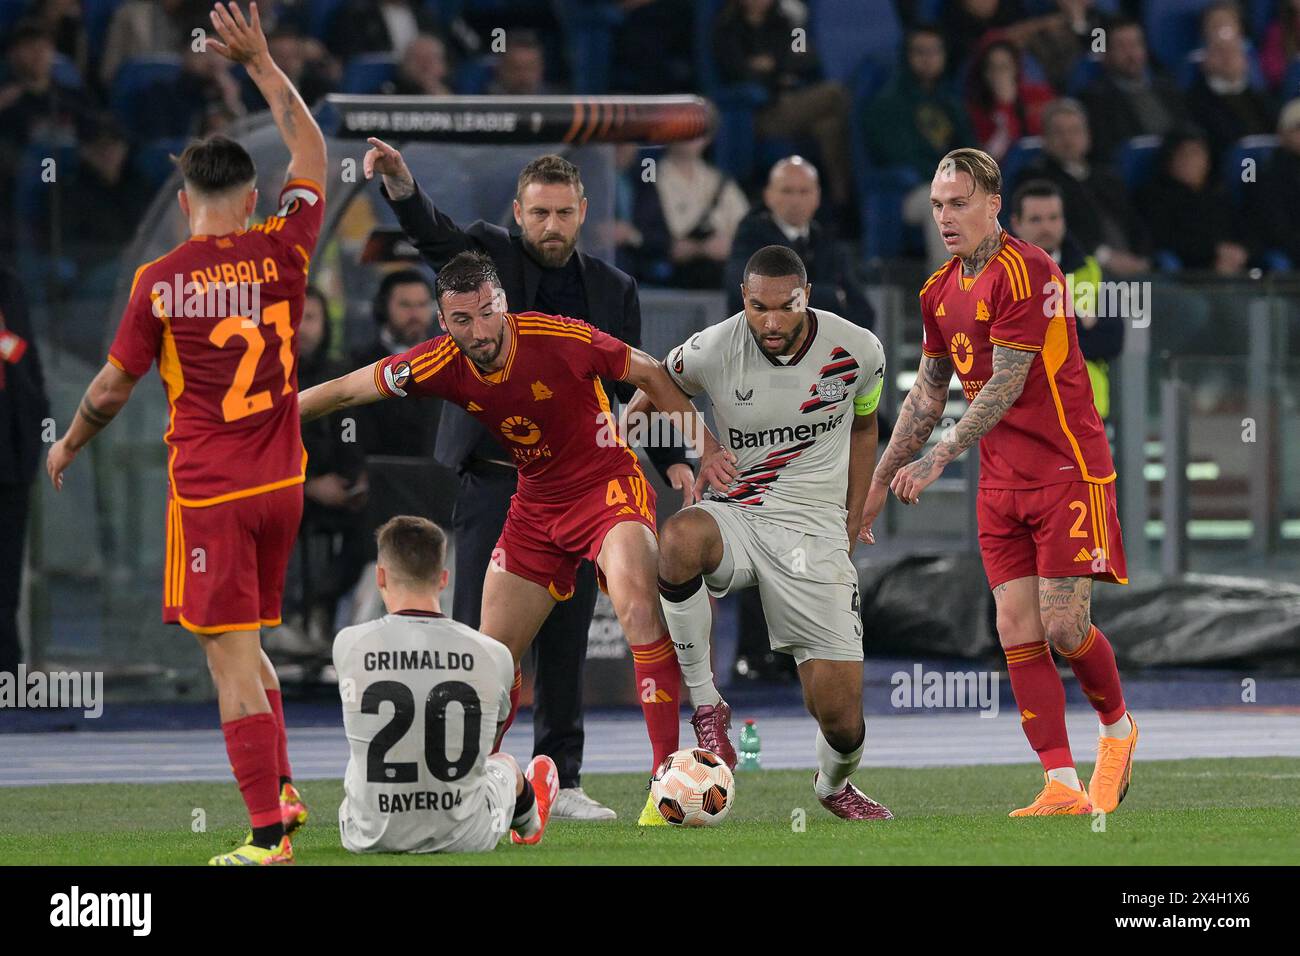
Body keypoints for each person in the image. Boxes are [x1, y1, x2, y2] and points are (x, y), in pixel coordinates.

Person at [299, 250, 726, 827]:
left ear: (503, 303)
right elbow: (347, 391)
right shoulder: (437, 361)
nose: (480, 331)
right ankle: (478, 789)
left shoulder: (559, 337)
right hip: (535, 505)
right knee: (492, 662)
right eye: (463, 320)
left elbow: (650, 372)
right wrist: (268, 421)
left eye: (488, 312)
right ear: (444, 322)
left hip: (606, 486)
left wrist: (706, 446)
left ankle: (663, 783)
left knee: (636, 608)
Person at [45, 1, 327, 865]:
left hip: (212, 493)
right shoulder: (284, 250)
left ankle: (266, 836)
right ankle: (285, 791)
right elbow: (312, 152)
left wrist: (69, 444)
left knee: (226, 664)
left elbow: (110, 387)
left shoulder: (160, 281)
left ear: (182, 202)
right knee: (247, 646)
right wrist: (261, 63)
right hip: (282, 484)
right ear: (252, 197)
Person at [362, 141, 693, 821]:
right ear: (518, 213)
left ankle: (561, 779)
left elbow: (632, 386)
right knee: (483, 642)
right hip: (494, 478)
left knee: (569, 638)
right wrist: (401, 185)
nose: (551, 225)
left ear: (583, 214)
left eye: (563, 213)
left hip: (583, 483)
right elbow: (435, 238)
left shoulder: (614, 289)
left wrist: (675, 459)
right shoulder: (488, 257)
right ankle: (467, 777)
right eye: (539, 212)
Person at [860, 148, 1138, 818]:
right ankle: (1060, 783)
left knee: (1064, 625)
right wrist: (878, 480)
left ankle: (1118, 731)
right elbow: (927, 395)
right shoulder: (936, 290)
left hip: (1066, 467)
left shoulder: (1030, 270)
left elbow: (1007, 382)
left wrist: (942, 455)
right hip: (1001, 479)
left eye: (959, 204)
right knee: (1014, 625)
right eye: (937, 205)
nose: (945, 217)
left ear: (993, 203)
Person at [630, 245, 891, 820]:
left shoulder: (859, 350)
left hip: (814, 529)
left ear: (807, 297)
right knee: (678, 540)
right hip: (739, 515)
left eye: (785, 307)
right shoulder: (714, 347)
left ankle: (833, 784)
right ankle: (708, 707)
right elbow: (648, 392)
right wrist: (694, 448)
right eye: (758, 308)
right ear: (743, 300)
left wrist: (853, 517)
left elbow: (864, 426)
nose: (771, 322)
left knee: (841, 721)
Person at [335, 515, 557, 853]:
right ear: (443, 578)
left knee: (359, 759)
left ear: (380, 576)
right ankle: (529, 821)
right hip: (466, 835)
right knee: (504, 765)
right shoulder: (492, 653)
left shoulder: (348, 644)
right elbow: (487, 741)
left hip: (368, 835)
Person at [712, 0, 854, 213]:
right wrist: (778, 69)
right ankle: (862, 179)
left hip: (790, 103)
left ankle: (842, 205)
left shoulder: (784, 23)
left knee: (829, 126)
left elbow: (807, 58)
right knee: (835, 93)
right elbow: (738, 73)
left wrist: (772, 64)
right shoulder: (727, 28)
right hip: (758, 114)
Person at [1009, 180, 1123, 421]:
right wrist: (1079, 323)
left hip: (1084, 412)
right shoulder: (998, 274)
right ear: (1016, 224)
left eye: (1054, 218)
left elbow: (1112, 339)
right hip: (1021, 415)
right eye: (1036, 219)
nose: (1046, 227)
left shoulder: (1091, 270)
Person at [863, 25, 975, 269]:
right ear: (907, 56)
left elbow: (970, 149)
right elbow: (899, 157)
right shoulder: (889, 103)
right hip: (905, 193)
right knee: (942, 203)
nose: (928, 59)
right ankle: (947, 288)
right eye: (920, 52)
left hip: (954, 185)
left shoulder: (949, 100)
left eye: (934, 51)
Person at [298, 286, 369, 645]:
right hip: (287, 490)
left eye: (310, 318)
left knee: (372, 525)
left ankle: (322, 608)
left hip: (336, 488)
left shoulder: (339, 373)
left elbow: (349, 431)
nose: (302, 328)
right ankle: (290, 616)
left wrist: (356, 478)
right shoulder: (263, 378)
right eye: (294, 319)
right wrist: (308, 485)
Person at [726, 155, 873, 327]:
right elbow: (755, 294)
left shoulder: (826, 240)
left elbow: (863, 312)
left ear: (817, 197)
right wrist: (832, 297)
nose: (795, 200)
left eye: (804, 191)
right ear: (768, 195)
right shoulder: (750, 236)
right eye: (787, 191)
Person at [1022, 99, 1151, 276]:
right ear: (1045, 139)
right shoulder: (1036, 179)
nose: (1068, 139)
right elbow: (1054, 230)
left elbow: (1133, 220)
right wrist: (1104, 257)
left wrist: (1143, 257)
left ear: (1087, 136)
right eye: (1059, 132)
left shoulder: (1107, 177)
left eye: (1075, 131)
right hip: (1081, 271)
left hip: (1135, 268)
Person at [0, 267, 49, 679]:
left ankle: (7, 673)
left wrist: (34, 439)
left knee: (6, 575)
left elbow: (26, 363)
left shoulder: (9, 285)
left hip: (11, 454)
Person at [350, 269, 441, 457]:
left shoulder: (445, 361)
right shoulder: (358, 365)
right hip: (376, 469)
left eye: (422, 305)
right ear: (383, 308)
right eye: (405, 305)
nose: (415, 314)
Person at [1137, 129, 1249, 275]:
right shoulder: (1153, 196)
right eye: (1183, 155)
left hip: (1236, 272)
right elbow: (1162, 239)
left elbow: (1246, 232)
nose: (1190, 161)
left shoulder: (1218, 195)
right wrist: (1214, 252)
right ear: (1169, 159)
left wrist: (1241, 252)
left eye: (1196, 154)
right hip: (1190, 275)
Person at [644, 136, 749, 290]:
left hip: (720, 274)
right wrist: (671, 247)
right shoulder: (649, 177)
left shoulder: (721, 181)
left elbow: (748, 233)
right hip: (669, 272)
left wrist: (729, 246)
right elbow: (643, 231)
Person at [1079, 17, 1189, 163]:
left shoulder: (1168, 88)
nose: (1131, 54)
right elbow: (1107, 153)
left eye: (1136, 44)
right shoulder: (1095, 99)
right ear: (1105, 54)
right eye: (1121, 47)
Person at [1185, 32, 1277, 165]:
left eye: (1234, 52)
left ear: (1246, 61)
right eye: (1219, 51)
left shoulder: (1262, 98)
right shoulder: (1194, 101)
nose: (1227, 57)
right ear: (1205, 61)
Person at [964, 37, 1054, 163]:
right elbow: (989, 157)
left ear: (1016, 68)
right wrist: (1005, 105)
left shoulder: (1040, 95)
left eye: (1004, 67)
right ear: (985, 74)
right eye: (992, 68)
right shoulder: (977, 110)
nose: (998, 74)